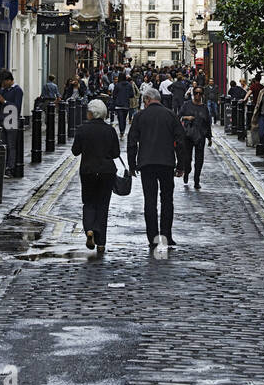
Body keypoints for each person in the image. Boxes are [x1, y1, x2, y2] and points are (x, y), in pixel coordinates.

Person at [127, 87, 186, 259]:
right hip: (166, 163)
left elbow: (132, 142)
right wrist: (181, 165)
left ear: (146, 100)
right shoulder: (170, 115)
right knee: (167, 200)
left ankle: (153, 238)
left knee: (150, 201)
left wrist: (132, 165)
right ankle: (166, 236)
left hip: (146, 164)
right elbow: (180, 141)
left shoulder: (140, 116)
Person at [71, 99, 120, 257]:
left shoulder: (82, 129)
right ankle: (101, 243)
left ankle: (90, 230)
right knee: (103, 206)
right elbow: (116, 154)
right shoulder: (110, 130)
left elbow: (75, 151)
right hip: (107, 172)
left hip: (88, 171)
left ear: (91, 113)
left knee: (89, 202)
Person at [179, 87, 213, 190]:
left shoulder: (204, 108)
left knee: (199, 160)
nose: (198, 95)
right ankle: (186, 172)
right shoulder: (187, 105)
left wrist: (209, 137)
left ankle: (196, 180)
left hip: (200, 136)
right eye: (196, 93)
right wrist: (186, 117)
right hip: (188, 136)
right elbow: (178, 116)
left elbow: (207, 123)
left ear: (202, 95)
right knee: (187, 159)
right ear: (193, 94)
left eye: (200, 93)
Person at [0, 72, 23, 168]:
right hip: (3, 120)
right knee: (3, 145)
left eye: (4, 82)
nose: (3, 84)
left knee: (11, 146)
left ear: (9, 80)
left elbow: (17, 107)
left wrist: (4, 101)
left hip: (12, 121)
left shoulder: (18, 90)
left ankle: (10, 167)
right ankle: (4, 167)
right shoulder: (4, 90)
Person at [111, 72, 135, 136]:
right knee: (124, 118)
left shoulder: (117, 85)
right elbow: (132, 95)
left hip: (118, 105)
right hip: (126, 104)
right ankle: (123, 130)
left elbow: (114, 95)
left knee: (120, 118)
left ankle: (121, 130)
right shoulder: (129, 85)